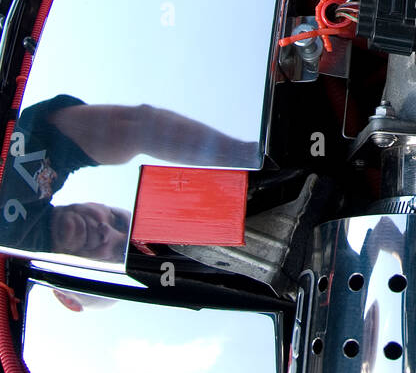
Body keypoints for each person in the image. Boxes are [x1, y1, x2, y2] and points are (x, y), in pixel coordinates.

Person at [0, 94, 257, 260]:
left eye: (117, 250)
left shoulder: (12, 278)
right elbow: (141, 127)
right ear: (97, 203)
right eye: (117, 220)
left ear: (67, 299)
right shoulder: (52, 158)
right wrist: (246, 157)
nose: (107, 233)